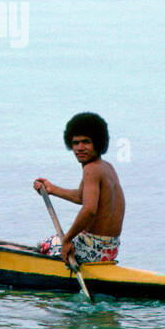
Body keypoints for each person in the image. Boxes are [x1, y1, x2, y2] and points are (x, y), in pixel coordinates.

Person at [33, 112, 125, 265]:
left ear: (98, 143)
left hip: (92, 250)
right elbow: (81, 197)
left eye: (86, 142)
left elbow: (89, 210)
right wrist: (52, 189)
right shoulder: (106, 167)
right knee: (54, 240)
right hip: (110, 249)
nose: (80, 148)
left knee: (44, 245)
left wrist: (68, 240)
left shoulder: (91, 170)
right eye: (76, 143)